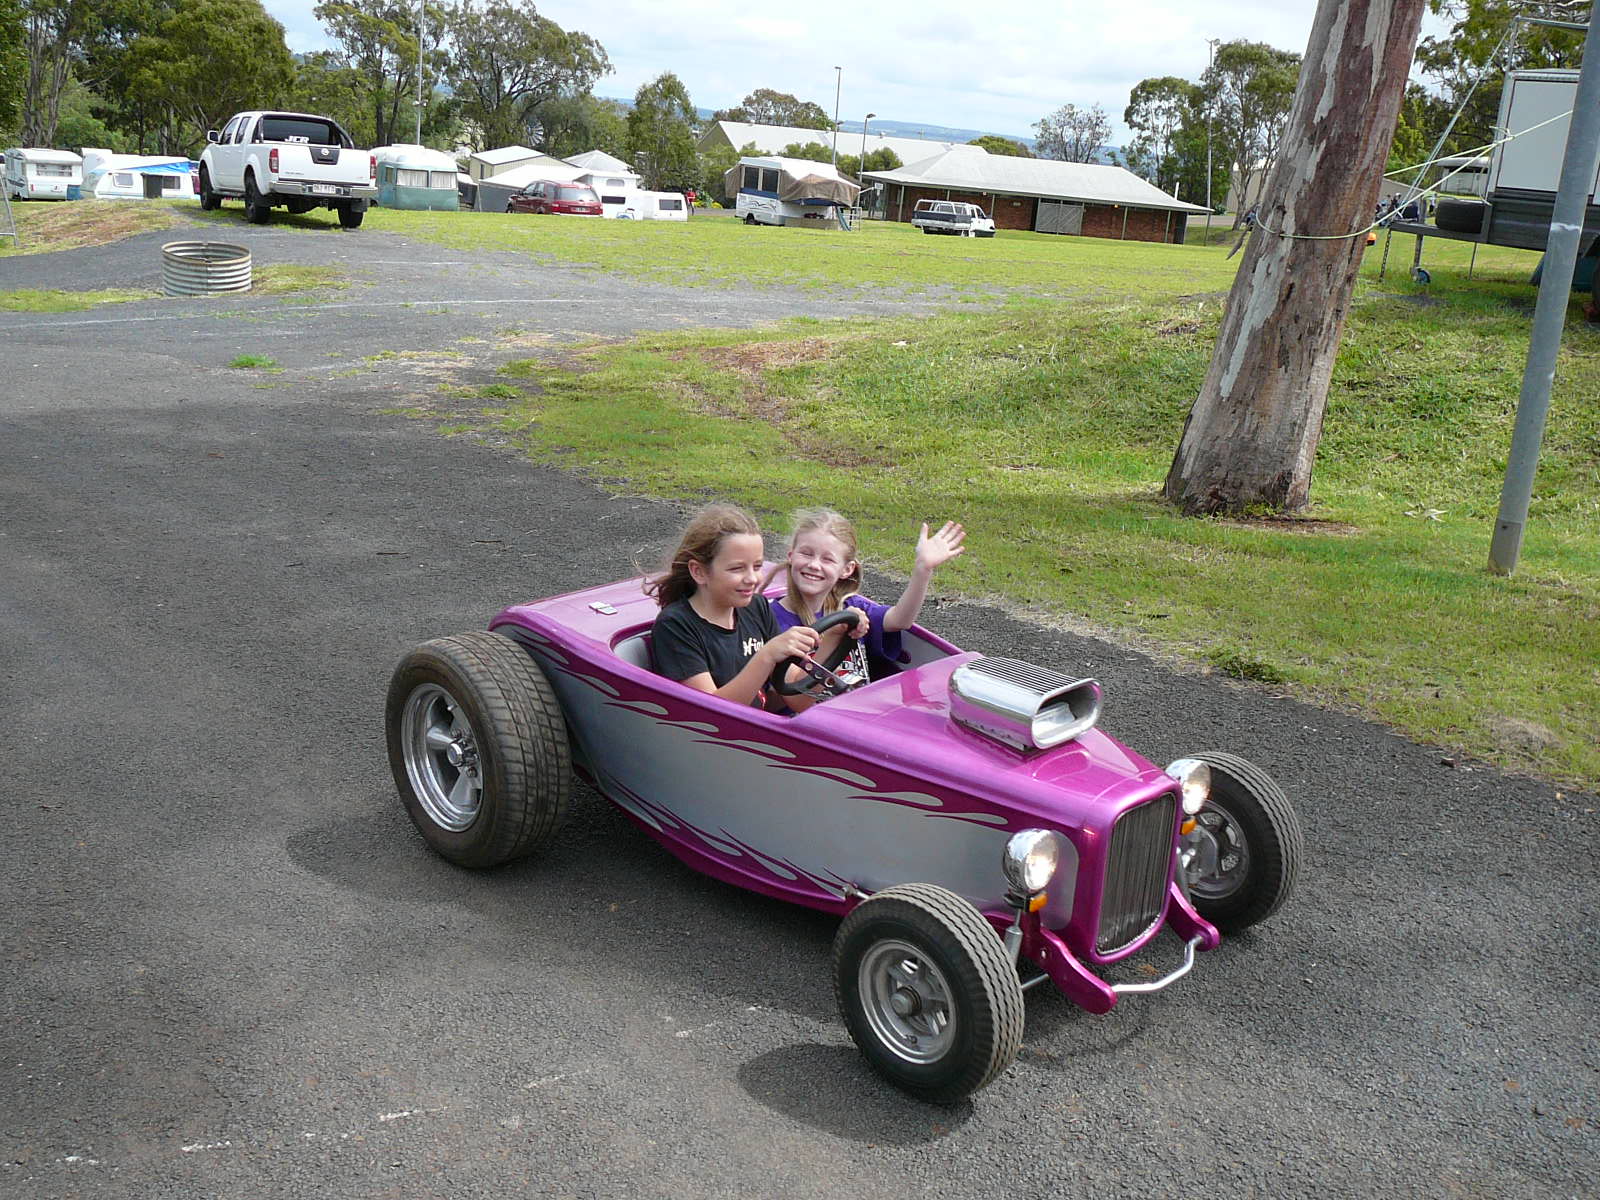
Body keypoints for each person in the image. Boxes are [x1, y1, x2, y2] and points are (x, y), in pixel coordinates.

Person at [766, 509, 966, 696]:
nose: (814, 565)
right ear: (791, 556)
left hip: (859, 712)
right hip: (805, 722)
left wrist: (923, 569)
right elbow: (784, 693)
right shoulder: (768, 619)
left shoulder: (852, 608)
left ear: (847, 569)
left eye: (827, 559)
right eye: (806, 553)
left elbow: (900, 620)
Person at [647, 504, 820, 710]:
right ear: (699, 572)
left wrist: (833, 641)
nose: (752, 578)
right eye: (737, 568)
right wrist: (766, 655)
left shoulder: (756, 607)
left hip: (761, 729)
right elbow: (711, 714)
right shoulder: (676, 625)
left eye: (757, 566)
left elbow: (797, 700)